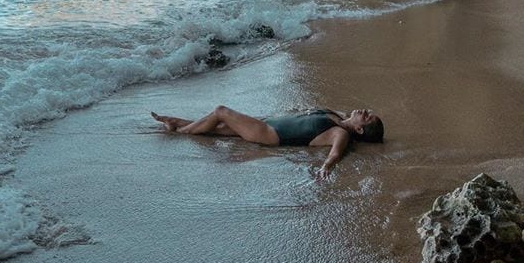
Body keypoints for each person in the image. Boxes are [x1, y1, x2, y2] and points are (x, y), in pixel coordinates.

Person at [150, 104, 384, 178]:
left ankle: (179, 132)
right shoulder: (339, 118)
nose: (363, 110)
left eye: (366, 117)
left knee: (221, 112)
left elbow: (334, 154)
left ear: (360, 131)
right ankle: (178, 122)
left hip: (268, 134)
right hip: (268, 123)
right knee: (220, 127)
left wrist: (325, 170)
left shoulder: (340, 134)